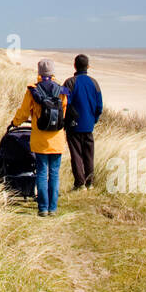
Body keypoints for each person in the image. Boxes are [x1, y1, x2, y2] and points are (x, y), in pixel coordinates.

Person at [10, 58, 68, 216]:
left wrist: (15, 122)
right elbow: (65, 112)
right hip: (56, 138)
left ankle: (43, 208)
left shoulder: (32, 90)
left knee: (42, 172)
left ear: (39, 72)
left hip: (40, 139)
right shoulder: (61, 90)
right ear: (53, 72)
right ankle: (53, 208)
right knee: (54, 173)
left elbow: (23, 112)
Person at [62, 54, 103, 190]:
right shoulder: (94, 82)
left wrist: (66, 121)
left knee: (77, 156)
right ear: (88, 66)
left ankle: (80, 184)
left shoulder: (69, 82)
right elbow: (99, 106)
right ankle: (89, 183)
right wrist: (93, 120)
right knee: (88, 155)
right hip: (88, 126)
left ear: (75, 65)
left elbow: (64, 104)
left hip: (74, 126)